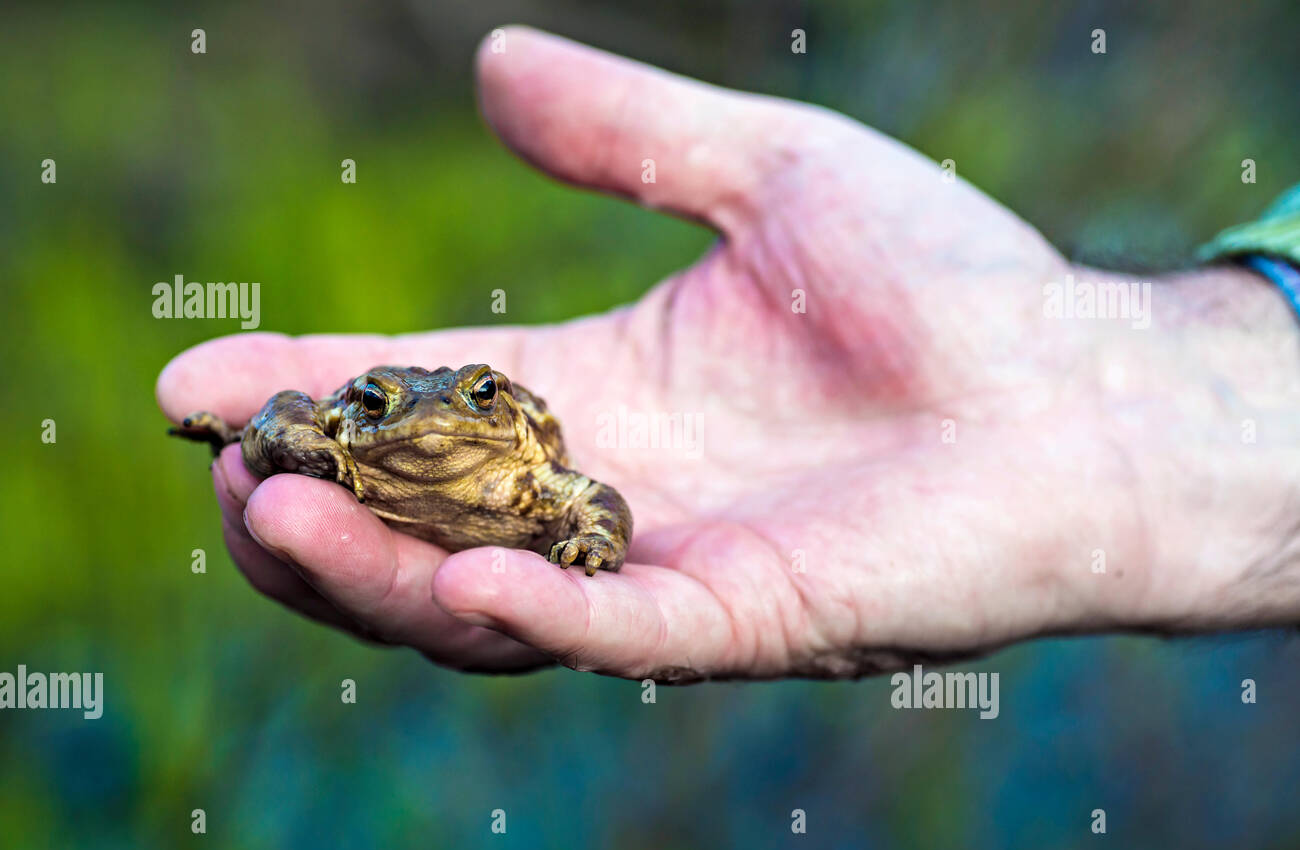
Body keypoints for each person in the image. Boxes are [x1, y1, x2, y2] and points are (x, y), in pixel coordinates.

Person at [155, 27, 1300, 682]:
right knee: (271, 439)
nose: (432, 411)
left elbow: (586, 496)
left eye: (473, 397)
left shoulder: (517, 463)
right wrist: (266, 431)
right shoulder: (348, 434)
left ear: (501, 414)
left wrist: (593, 544)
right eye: (396, 404)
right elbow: (292, 415)